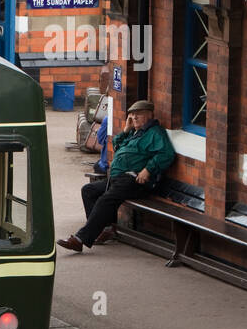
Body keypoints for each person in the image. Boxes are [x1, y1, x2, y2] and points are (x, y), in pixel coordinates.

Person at [58, 100, 175, 252]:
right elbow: (117, 146)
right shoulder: (135, 133)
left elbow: (166, 154)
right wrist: (126, 130)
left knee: (105, 200)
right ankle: (104, 229)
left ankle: (81, 239)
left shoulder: (155, 133)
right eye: (132, 115)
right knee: (88, 190)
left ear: (149, 115)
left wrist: (148, 170)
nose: (134, 118)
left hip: (136, 181)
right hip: (119, 179)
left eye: (138, 114)